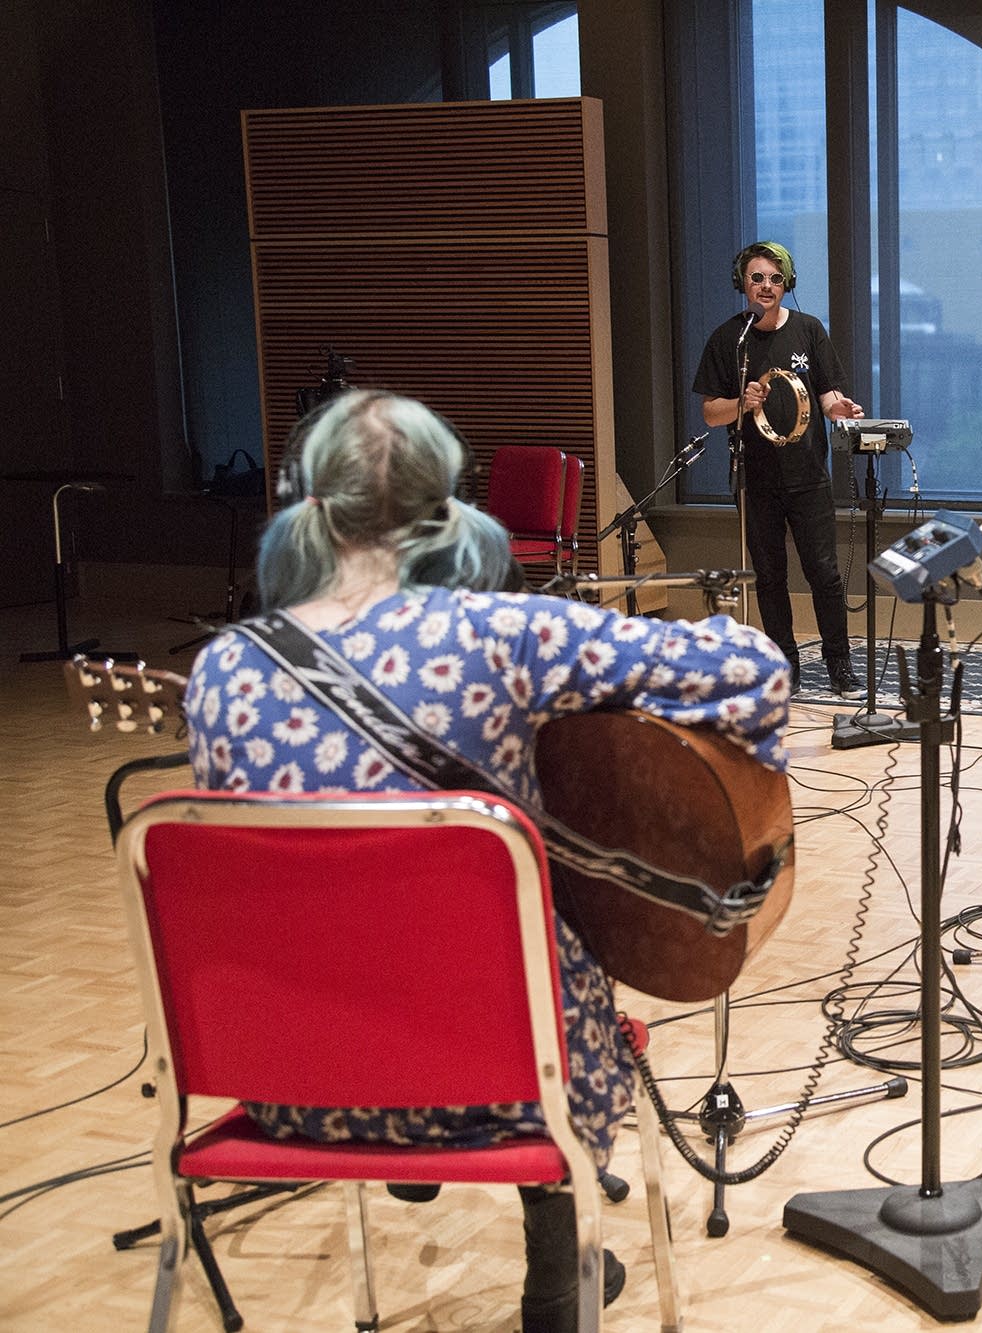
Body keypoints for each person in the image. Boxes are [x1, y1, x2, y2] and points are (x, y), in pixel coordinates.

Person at [182, 390, 790, 1330]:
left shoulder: (222, 668)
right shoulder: (503, 633)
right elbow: (754, 670)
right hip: (514, 1083)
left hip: (293, 1085)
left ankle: (450, 1188)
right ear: (449, 503)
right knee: (546, 968)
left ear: (311, 501)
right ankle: (560, 1267)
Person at [693, 240, 868, 699]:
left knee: (824, 573)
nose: (766, 286)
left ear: (787, 283)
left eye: (775, 278)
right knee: (769, 577)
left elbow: (828, 392)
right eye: (757, 278)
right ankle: (784, 666)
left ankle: (839, 665)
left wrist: (839, 409)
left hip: (807, 474)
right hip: (756, 479)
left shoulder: (809, 330)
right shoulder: (728, 339)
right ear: (742, 284)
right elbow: (711, 412)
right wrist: (742, 404)